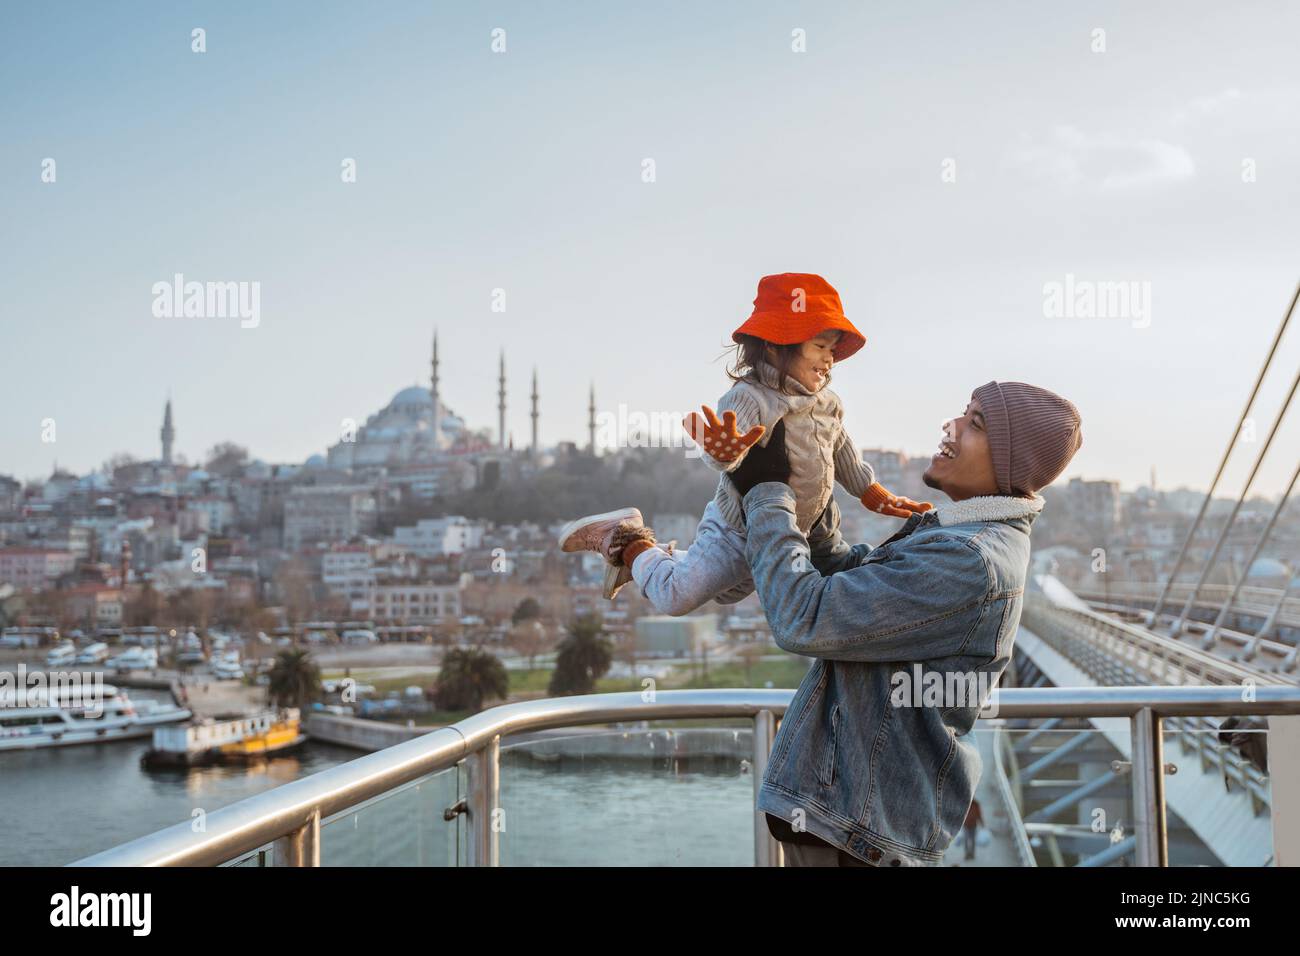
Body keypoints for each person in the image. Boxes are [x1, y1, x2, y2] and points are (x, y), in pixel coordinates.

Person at [557, 272, 930, 608]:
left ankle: (659, 555)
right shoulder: (749, 397)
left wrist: (872, 492)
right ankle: (627, 541)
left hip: (789, 531)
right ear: (776, 344)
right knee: (676, 596)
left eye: (833, 349)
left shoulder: (827, 403)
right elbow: (726, 456)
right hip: (737, 530)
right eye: (820, 346)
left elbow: (842, 451)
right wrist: (722, 454)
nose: (829, 359)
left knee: (726, 592)